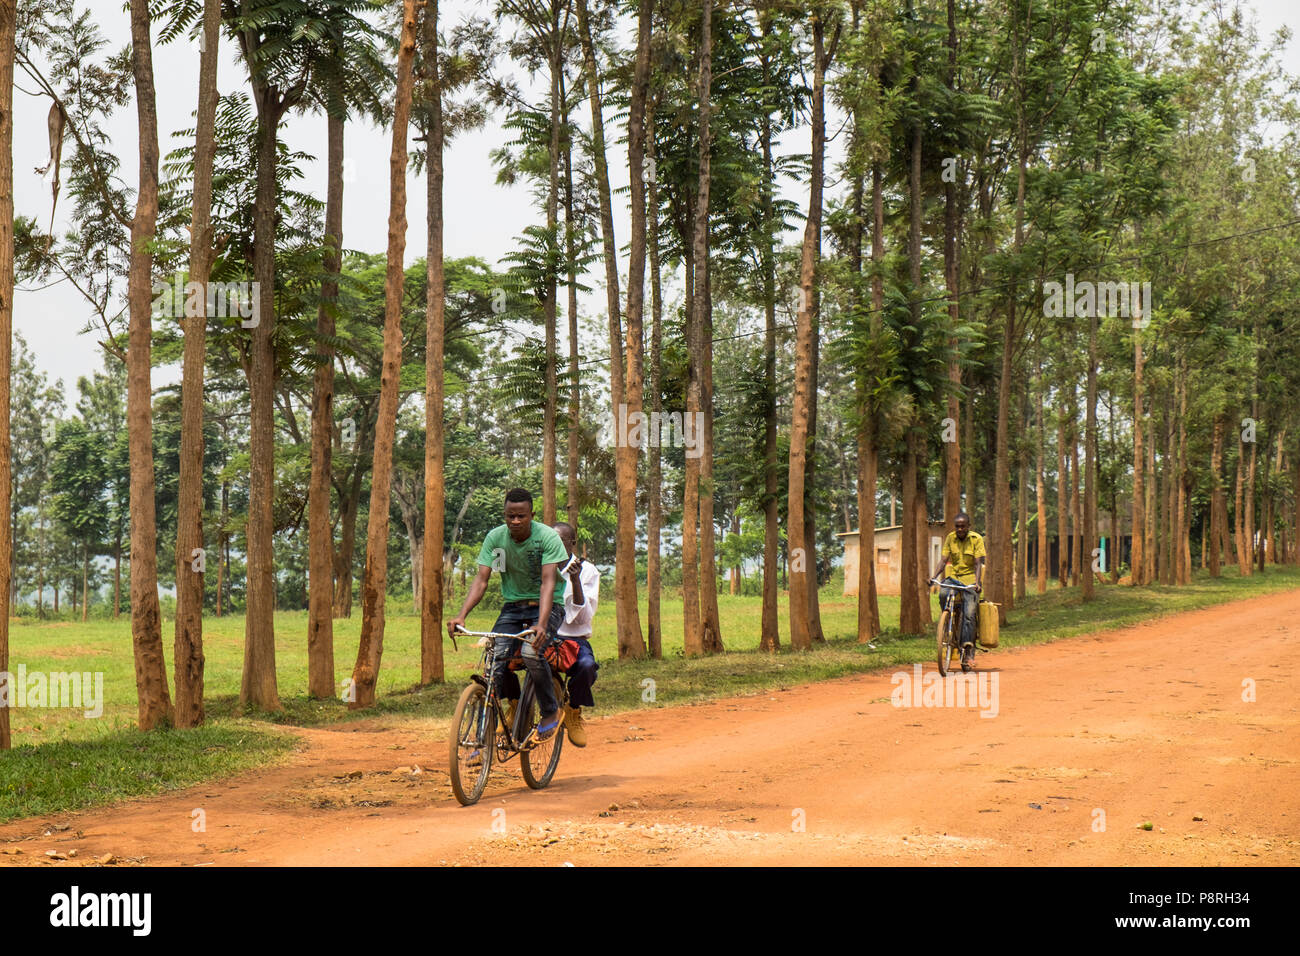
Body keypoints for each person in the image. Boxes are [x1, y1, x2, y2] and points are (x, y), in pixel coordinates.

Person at [446, 488, 567, 742]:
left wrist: (542, 624)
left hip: (547, 606)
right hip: (513, 607)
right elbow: (481, 580)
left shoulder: (547, 538)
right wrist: (461, 616)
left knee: (531, 652)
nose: (515, 521)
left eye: (521, 516)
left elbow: (548, 583)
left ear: (531, 514)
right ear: (505, 515)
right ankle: (483, 737)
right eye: (510, 516)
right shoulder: (495, 538)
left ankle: (549, 711)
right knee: (494, 662)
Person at [552, 521, 600, 747]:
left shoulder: (588, 571)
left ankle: (573, 709)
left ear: (572, 544)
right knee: (506, 657)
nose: (554, 545)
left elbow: (582, 619)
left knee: (587, 666)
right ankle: (515, 707)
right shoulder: (542, 566)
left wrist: (575, 581)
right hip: (545, 635)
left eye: (560, 541)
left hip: (573, 639)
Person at [927, 511, 985, 654]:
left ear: (968, 526)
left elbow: (978, 564)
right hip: (953, 579)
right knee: (942, 594)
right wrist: (933, 576)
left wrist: (977, 583)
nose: (959, 529)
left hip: (970, 581)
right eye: (957, 526)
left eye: (962, 526)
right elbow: (943, 560)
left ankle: (968, 648)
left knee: (969, 614)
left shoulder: (976, 539)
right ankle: (946, 621)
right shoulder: (950, 538)